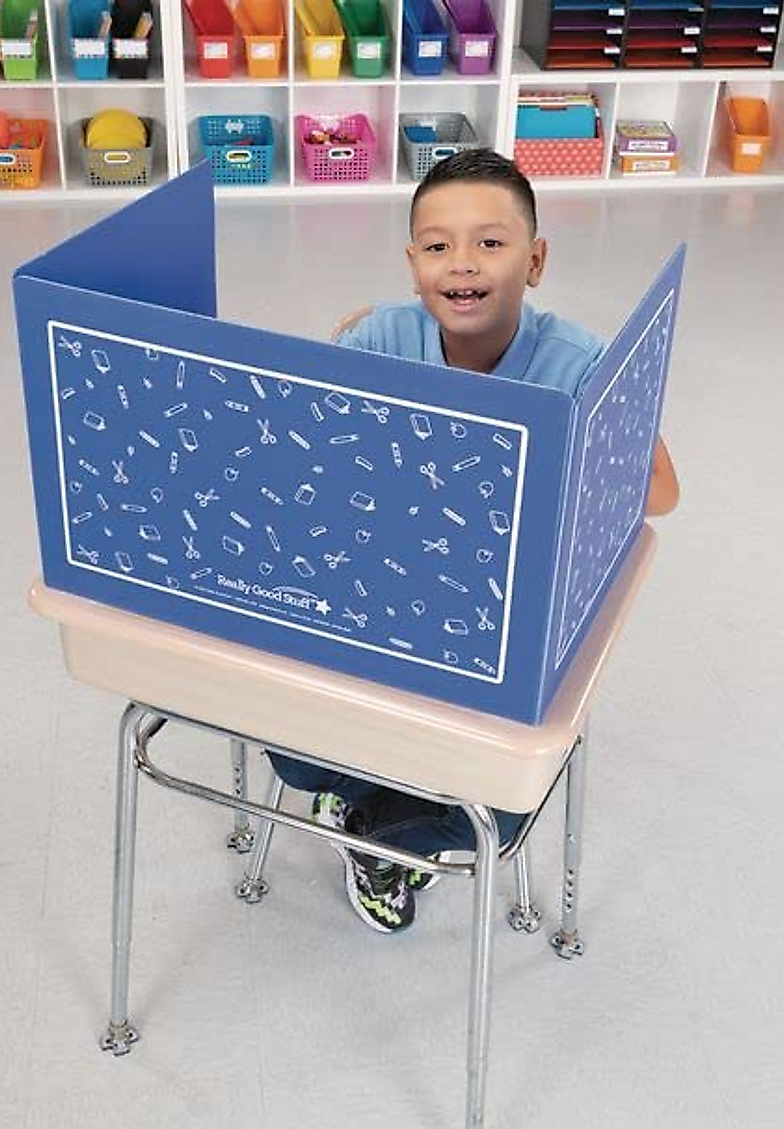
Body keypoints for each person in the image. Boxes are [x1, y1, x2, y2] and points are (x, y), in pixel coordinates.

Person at [270, 149, 679, 935]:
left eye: (491, 243)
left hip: (504, 621)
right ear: (413, 263)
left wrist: (574, 450)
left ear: (536, 261)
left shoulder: (578, 363)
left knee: (503, 803)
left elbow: (661, 492)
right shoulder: (384, 336)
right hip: (378, 601)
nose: (462, 264)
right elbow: (308, 463)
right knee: (295, 755)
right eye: (437, 246)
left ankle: (380, 835)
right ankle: (353, 784)